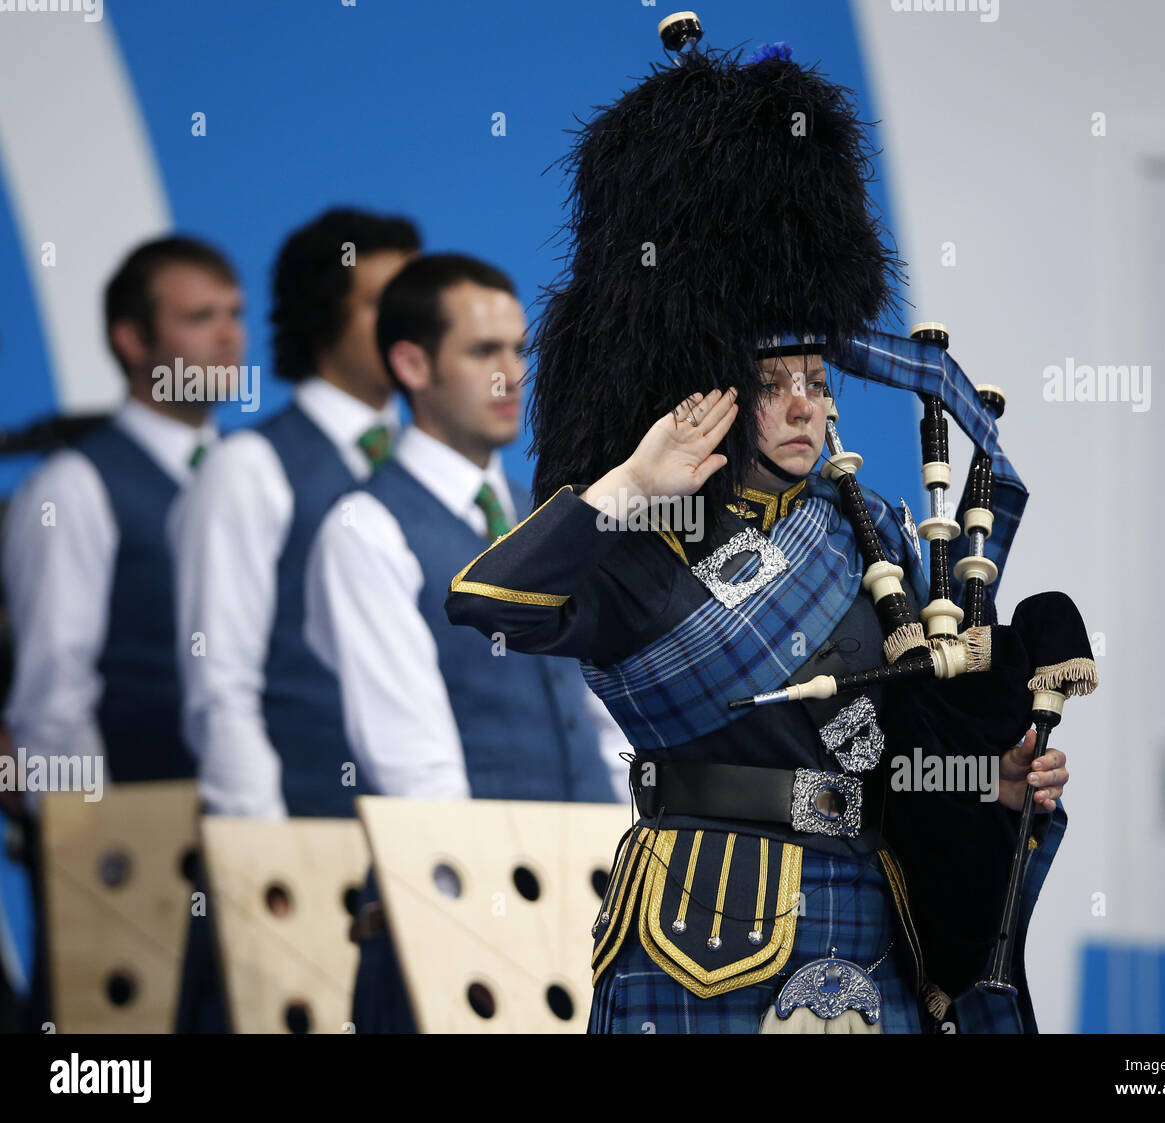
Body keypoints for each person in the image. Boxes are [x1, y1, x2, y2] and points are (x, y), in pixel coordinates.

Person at [444, 41, 1071, 1033]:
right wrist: (622, 487)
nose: (803, 409)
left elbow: (905, 758)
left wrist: (982, 781)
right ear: (708, 386)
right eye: (773, 384)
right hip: (702, 929)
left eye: (816, 384)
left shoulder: (879, 542)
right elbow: (488, 603)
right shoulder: (635, 545)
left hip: (875, 919)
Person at [305, 253, 627, 1033]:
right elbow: (415, 764)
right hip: (452, 924)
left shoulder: (544, 513)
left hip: (587, 914)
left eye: (520, 350)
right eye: (485, 352)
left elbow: (608, 716)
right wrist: (481, 922)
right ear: (411, 363)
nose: (512, 374)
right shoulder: (366, 525)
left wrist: (627, 874)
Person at [171, 208, 418, 1034]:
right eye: (384, 301)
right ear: (322, 318)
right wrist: (268, 869)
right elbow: (222, 688)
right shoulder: (249, 468)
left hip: (426, 865)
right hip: (304, 861)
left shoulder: (448, 480)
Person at [1, 235, 242, 1030]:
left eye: (235, 314)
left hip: (248, 851)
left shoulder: (253, 476)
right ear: (131, 341)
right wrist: (94, 854)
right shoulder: (74, 486)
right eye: (199, 317)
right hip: (126, 848)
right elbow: (52, 696)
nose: (228, 337)